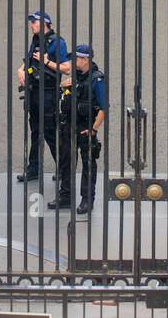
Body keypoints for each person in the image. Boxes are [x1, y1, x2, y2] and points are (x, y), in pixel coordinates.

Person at [15, 11, 70, 184]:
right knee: (36, 132)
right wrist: (21, 69)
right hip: (34, 92)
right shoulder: (36, 40)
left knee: (49, 132)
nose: (31, 25)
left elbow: (67, 68)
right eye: (31, 22)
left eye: (34, 22)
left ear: (45, 23)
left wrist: (47, 62)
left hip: (48, 93)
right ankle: (33, 169)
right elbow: (30, 60)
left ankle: (64, 168)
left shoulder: (57, 43)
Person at [53, 44, 108, 214]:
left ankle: (87, 199)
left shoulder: (96, 79)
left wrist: (93, 130)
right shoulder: (76, 76)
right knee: (66, 161)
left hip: (85, 127)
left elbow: (104, 108)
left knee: (88, 164)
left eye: (76, 58)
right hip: (68, 125)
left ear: (85, 60)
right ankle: (65, 196)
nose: (73, 61)